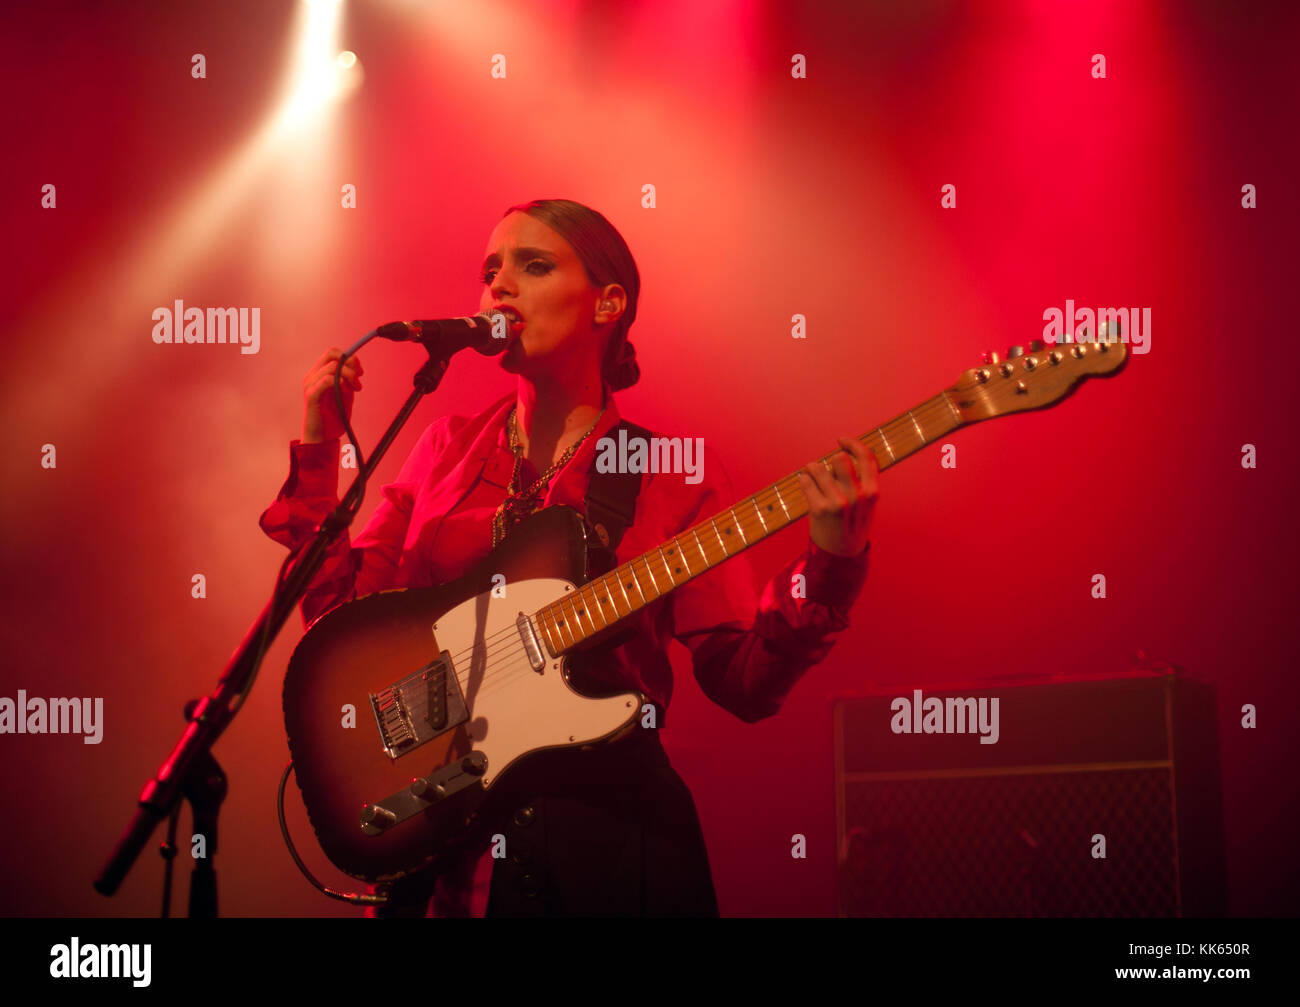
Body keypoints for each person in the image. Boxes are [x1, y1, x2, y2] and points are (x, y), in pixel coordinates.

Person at [260, 198, 879, 916]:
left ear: (608, 303)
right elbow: (338, 617)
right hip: (439, 845)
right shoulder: (443, 450)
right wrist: (320, 444)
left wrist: (830, 564)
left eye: (533, 264)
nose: (499, 284)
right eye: (490, 269)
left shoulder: (668, 473)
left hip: (605, 850)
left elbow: (742, 682)